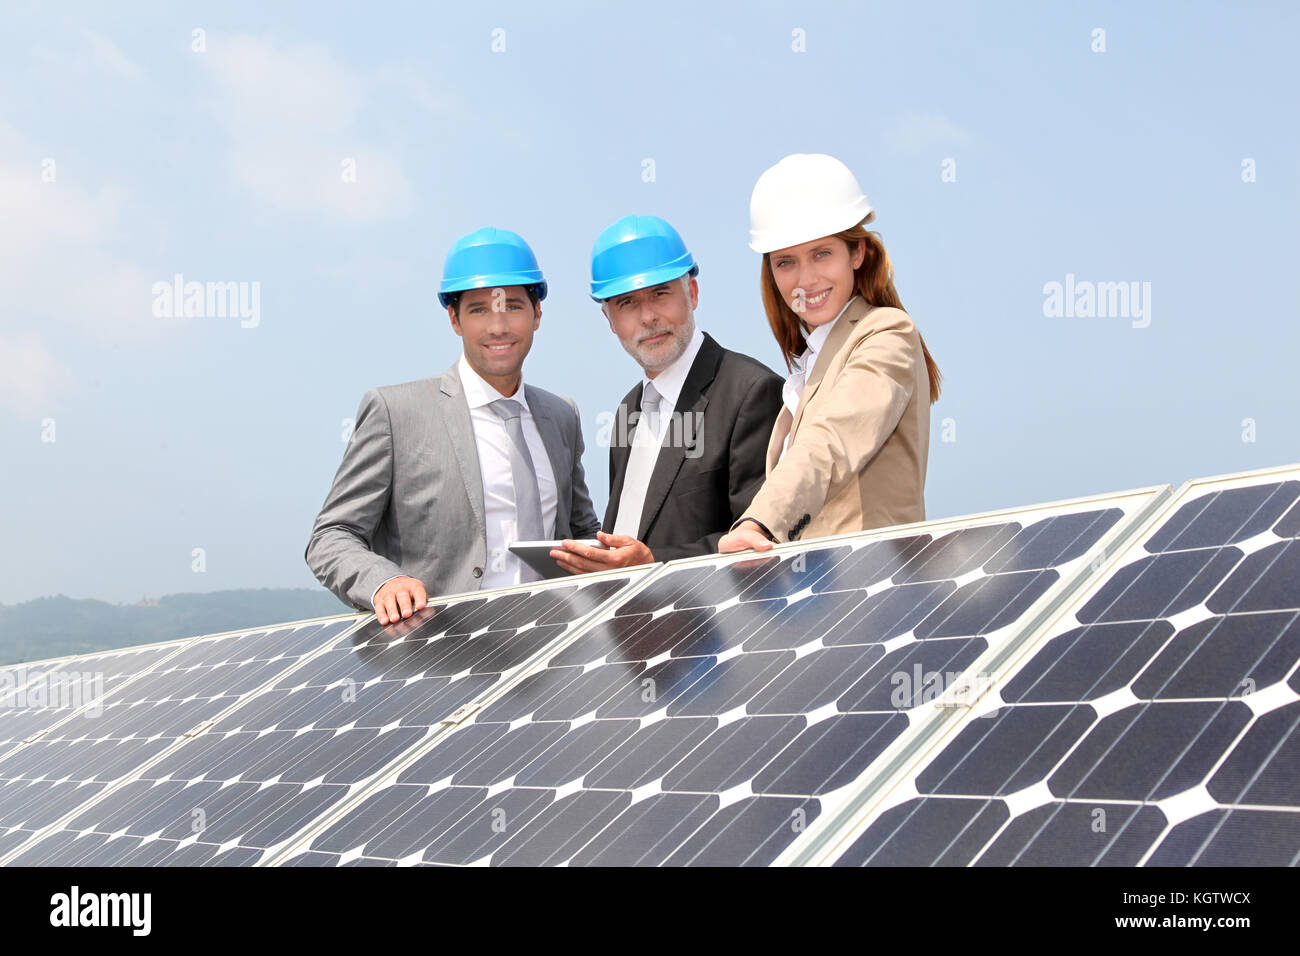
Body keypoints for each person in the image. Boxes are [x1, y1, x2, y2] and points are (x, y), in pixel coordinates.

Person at [306, 227, 601, 624]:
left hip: (552, 654)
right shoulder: (395, 412)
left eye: (512, 306)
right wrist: (383, 582)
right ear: (454, 319)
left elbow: (581, 534)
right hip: (439, 662)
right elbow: (331, 536)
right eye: (479, 309)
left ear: (537, 315)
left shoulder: (562, 416)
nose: (498, 327)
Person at [718, 153, 942, 554]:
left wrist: (760, 521)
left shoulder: (887, 332)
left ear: (856, 254)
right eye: (786, 262)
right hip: (821, 600)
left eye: (822, 253)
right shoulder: (809, 367)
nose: (806, 279)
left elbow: (832, 440)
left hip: (872, 591)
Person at [551, 216, 783, 574]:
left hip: (711, 626)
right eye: (627, 303)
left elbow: (761, 545)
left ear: (692, 292)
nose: (648, 317)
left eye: (660, 293)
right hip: (628, 625)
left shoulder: (751, 392)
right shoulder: (629, 410)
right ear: (609, 319)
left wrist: (653, 564)